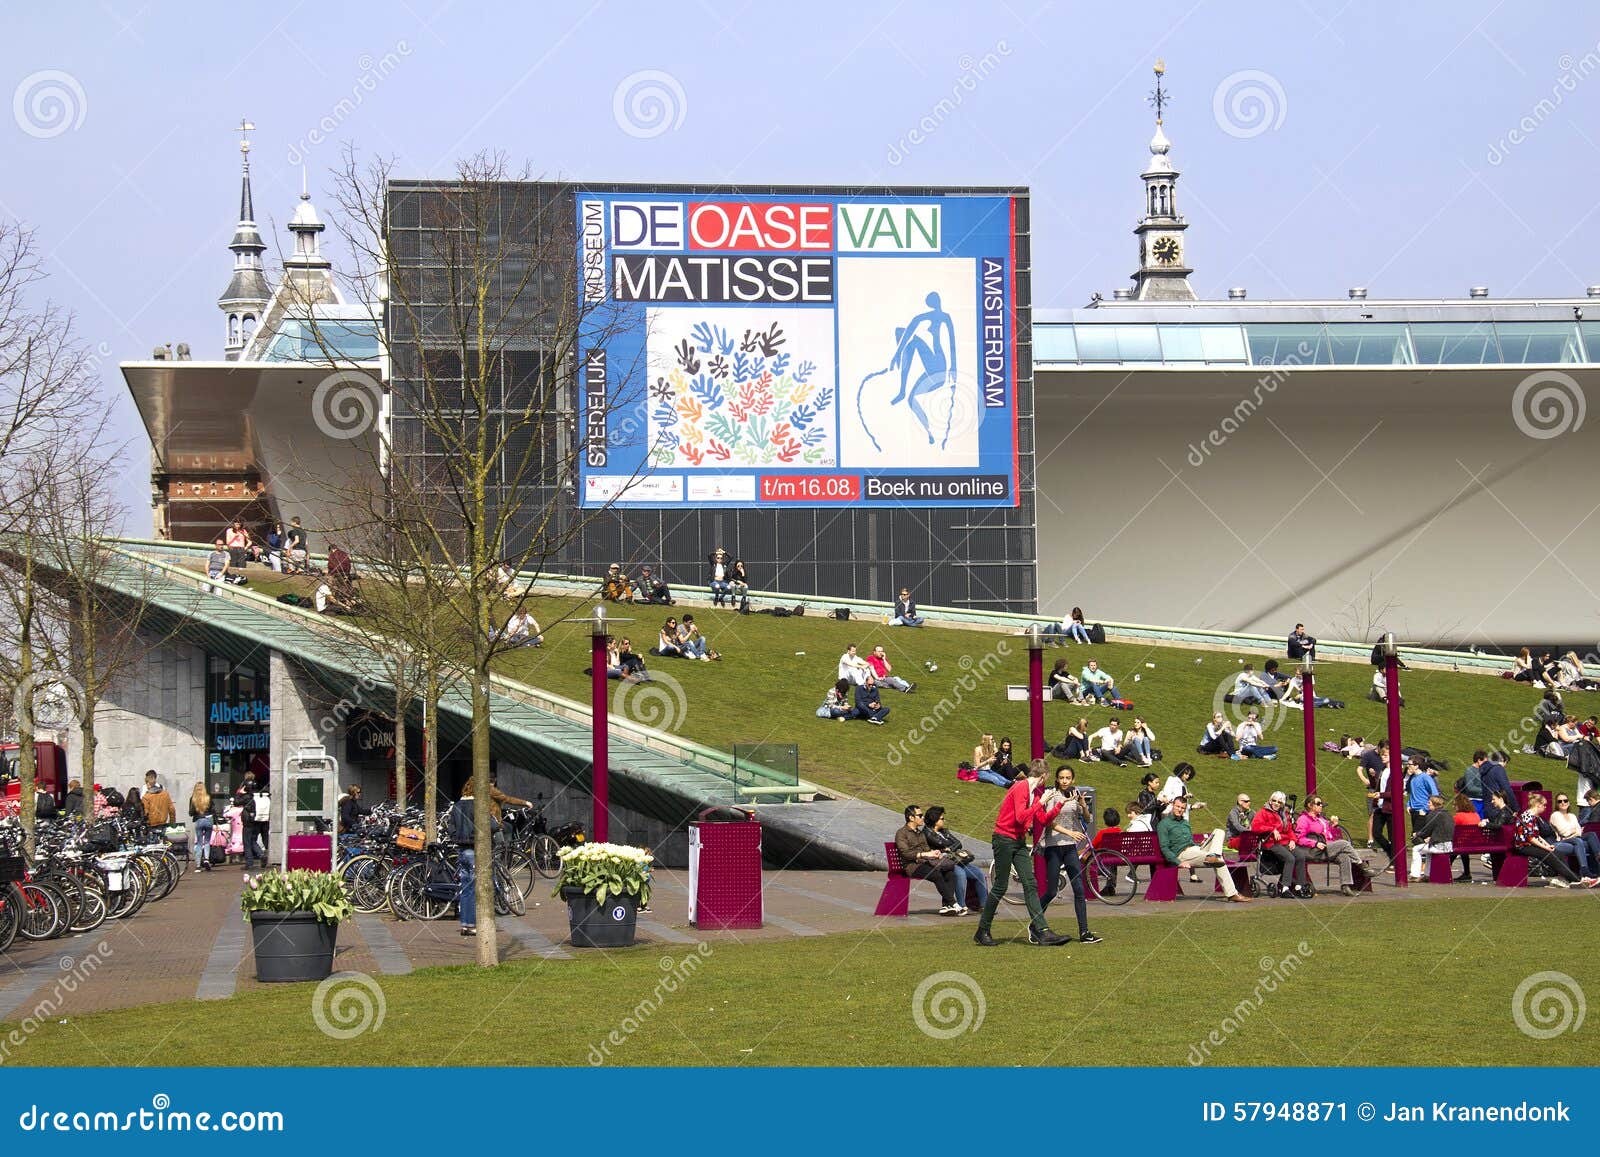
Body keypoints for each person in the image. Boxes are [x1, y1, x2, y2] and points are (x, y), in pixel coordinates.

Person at [974, 760, 1074, 946]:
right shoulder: (1021, 787)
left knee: (1030, 883)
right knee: (1000, 886)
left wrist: (1058, 805)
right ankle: (983, 930)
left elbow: (1042, 819)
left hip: (1018, 840)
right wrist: (1042, 802)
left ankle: (1041, 931)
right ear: (1044, 776)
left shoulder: (1034, 793)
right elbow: (1021, 817)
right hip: (1004, 839)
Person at [1034, 766, 1102, 943]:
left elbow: (1087, 819)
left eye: (1068, 778)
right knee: (1051, 891)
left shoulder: (1075, 794)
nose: (1065, 781)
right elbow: (1049, 821)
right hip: (1054, 845)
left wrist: (1083, 805)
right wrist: (1069, 833)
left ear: (1073, 779)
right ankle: (1035, 924)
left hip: (1070, 847)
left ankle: (1084, 932)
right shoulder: (1051, 794)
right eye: (1062, 777)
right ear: (1057, 779)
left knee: (1079, 889)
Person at [1158, 796, 1250, 902]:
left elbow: (1189, 842)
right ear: (1172, 806)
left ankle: (1213, 856)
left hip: (1195, 849)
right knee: (1219, 861)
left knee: (1219, 832)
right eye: (1177, 806)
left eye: (1182, 808)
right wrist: (1178, 862)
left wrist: (1199, 845)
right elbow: (1164, 848)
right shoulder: (1164, 824)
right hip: (1182, 854)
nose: (1180, 809)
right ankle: (1232, 893)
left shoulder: (1185, 823)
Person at [446, 782, 500, 935]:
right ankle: (479, 924)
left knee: (466, 889)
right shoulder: (479, 805)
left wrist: (457, 838)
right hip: (477, 850)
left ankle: (466, 924)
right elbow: (493, 826)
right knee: (482, 887)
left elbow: (451, 827)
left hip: (462, 850)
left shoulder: (456, 806)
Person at [1512, 794, 1597, 887]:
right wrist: (1546, 848)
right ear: (1538, 805)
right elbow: (1531, 838)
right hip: (1524, 846)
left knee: (1558, 854)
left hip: (1530, 844)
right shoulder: (1527, 817)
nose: (1545, 808)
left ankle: (1571, 878)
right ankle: (1577, 879)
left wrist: (1547, 845)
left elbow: (1537, 835)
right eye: (1544, 805)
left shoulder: (1533, 817)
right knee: (1550, 855)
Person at [894, 805, 965, 914]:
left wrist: (935, 853)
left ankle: (946, 906)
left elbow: (927, 848)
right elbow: (906, 854)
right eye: (920, 815)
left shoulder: (920, 833)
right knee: (936, 874)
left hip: (926, 862)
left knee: (950, 872)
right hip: (912, 866)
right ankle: (953, 903)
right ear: (911, 818)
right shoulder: (901, 833)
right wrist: (924, 854)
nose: (923, 818)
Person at [1294, 796, 1363, 896]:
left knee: (1344, 857)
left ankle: (1346, 887)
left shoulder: (1321, 819)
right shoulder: (1303, 819)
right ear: (1310, 805)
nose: (1321, 805)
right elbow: (1299, 838)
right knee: (1344, 843)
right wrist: (1315, 843)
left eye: (1321, 803)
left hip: (1327, 848)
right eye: (1318, 804)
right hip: (1315, 851)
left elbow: (1334, 837)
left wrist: (1334, 827)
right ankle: (1361, 864)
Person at [923, 806, 987, 910]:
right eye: (942, 819)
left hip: (955, 860)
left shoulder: (944, 831)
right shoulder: (927, 833)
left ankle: (984, 905)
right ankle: (961, 905)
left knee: (978, 873)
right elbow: (942, 844)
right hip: (942, 863)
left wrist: (948, 848)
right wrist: (948, 847)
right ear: (935, 820)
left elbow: (959, 843)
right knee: (960, 874)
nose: (944, 820)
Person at [1252, 790, 1310, 897]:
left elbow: (1289, 831)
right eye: (1274, 801)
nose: (1276, 803)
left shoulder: (1284, 814)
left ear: (1282, 804)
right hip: (1270, 843)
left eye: (1279, 802)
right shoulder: (1263, 812)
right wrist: (1272, 830)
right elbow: (1255, 827)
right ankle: (1285, 888)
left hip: (1285, 842)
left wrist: (1293, 840)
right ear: (1270, 800)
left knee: (1301, 856)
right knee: (1290, 858)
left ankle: (1299, 886)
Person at [1407, 794, 1455, 880]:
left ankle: (1415, 875)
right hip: (1449, 845)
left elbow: (1426, 831)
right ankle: (1427, 875)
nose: (1427, 804)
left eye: (1429, 802)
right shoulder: (1447, 814)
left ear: (1434, 804)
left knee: (1416, 849)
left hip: (1439, 846)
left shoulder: (1433, 814)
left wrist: (1416, 834)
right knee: (1428, 851)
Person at [235, 771, 269, 871]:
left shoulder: (246, 796)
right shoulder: (258, 792)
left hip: (248, 821)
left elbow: (236, 802)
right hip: (258, 819)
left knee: (247, 841)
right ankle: (261, 854)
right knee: (252, 840)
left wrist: (240, 793)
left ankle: (249, 863)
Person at [1451, 792, 1483, 881]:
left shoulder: (1458, 816)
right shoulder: (1475, 815)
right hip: (1477, 843)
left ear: (1459, 805)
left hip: (1463, 843)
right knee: (1461, 847)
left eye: (1455, 804)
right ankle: (1467, 873)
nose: (1453, 807)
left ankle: (1445, 871)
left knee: (1454, 848)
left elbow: (1451, 830)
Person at [1406, 756, 1440, 829]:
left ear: (1416, 766)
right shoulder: (1413, 778)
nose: (1407, 766)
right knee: (1415, 835)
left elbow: (1435, 794)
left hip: (1422, 812)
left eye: (1409, 764)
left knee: (1417, 836)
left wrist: (1425, 809)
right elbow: (1413, 794)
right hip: (1413, 811)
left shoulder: (1425, 777)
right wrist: (1408, 805)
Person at [189, 782, 214, 871]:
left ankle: (198, 865)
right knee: (207, 841)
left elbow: (191, 813)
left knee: (199, 842)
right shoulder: (208, 798)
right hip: (208, 820)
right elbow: (213, 810)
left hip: (199, 820)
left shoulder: (193, 799)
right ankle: (206, 859)